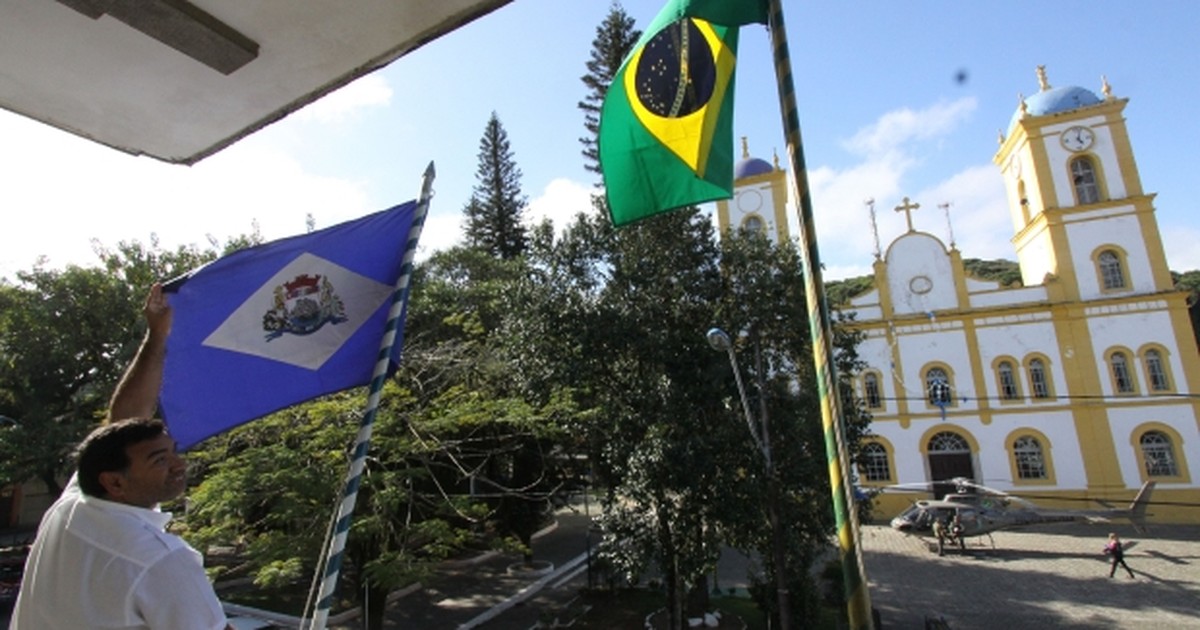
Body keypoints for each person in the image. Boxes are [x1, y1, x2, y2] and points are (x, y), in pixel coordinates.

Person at [9, 284, 234, 629]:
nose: (179, 465)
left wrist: (157, 335)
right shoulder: (161, 559)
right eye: (160, 460)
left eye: (172, 452)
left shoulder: (77, 506)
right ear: (114, 482)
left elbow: (125, 419)